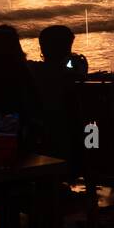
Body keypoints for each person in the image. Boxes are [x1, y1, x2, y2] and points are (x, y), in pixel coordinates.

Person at [27, 24, 85, 160]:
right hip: (73, 143)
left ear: (42, 47)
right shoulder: (74, 74)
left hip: (40, 139)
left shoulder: (32, 70)